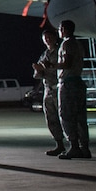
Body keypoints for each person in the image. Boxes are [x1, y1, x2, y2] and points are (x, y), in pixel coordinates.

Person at [52, 20, 91, 159]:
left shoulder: (67, 44)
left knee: (67, 115)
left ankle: (74, 146)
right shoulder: (78, 44)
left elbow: (67, 63)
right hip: (78, 81)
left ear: (64, 29)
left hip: (68, 83)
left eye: (59, 29)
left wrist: (51, 65)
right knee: (81, 117)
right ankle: (84, 148)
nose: (58, 31)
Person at [31, 26, 66, 156]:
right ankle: (59, 144)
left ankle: (75, 143)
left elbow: (63, 67)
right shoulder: (45, 54)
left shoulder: (60, 51)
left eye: (49, 37)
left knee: (65, 116)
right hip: (48, 89)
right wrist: (38, 69)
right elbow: (38, 75)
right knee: (51, 118)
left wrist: (47, 68)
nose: (47, 40)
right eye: (45, 38)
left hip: (59, 88)